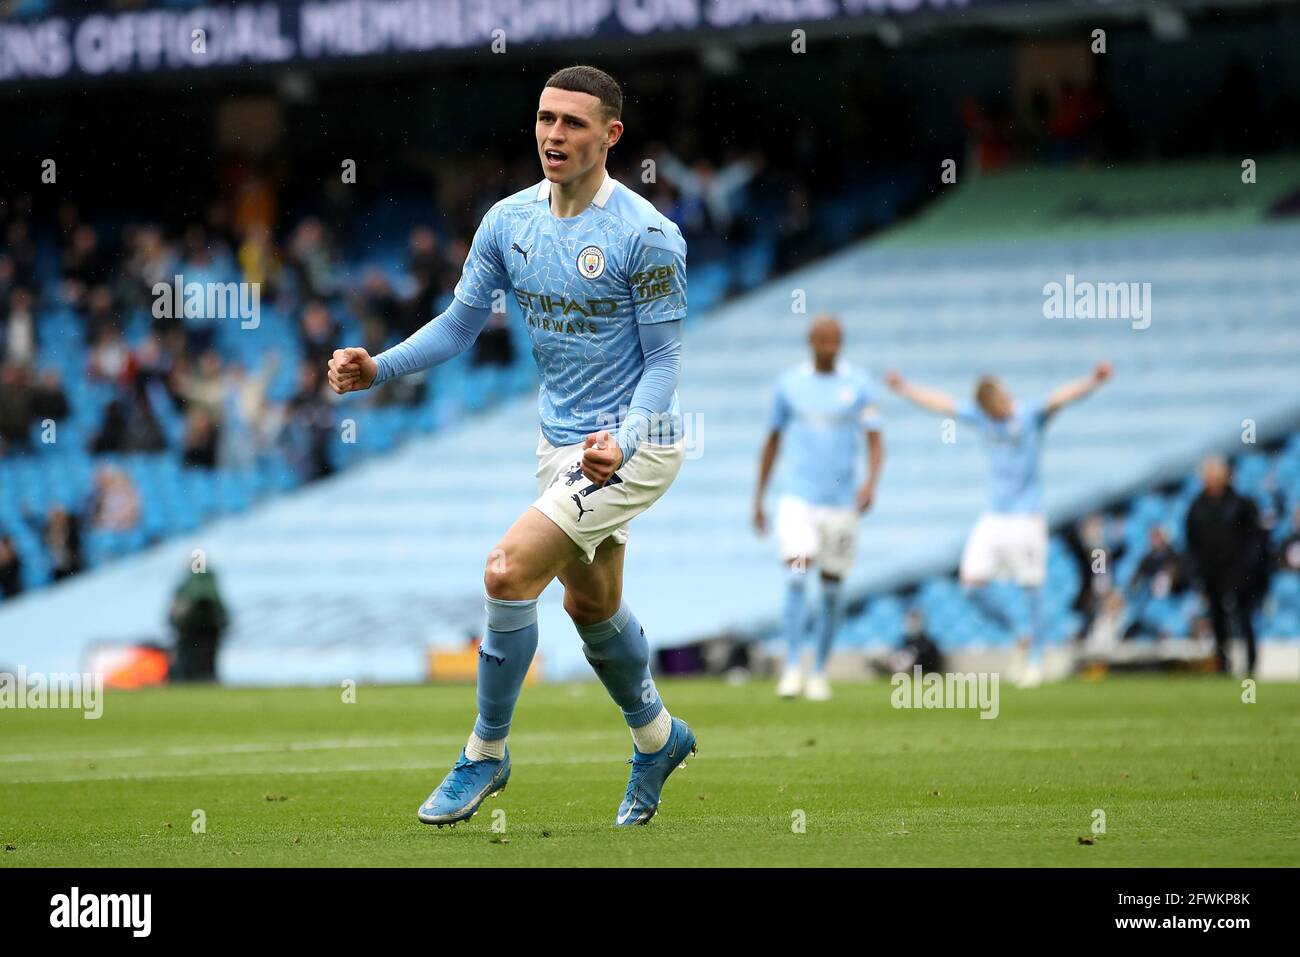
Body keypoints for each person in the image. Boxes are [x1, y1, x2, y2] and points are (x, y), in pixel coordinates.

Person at [327, 65, 693, 828]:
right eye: (545, 119)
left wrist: (624, 442)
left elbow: (663, 363)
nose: (554, 135)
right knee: (591, 604)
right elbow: (460, 325)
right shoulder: (507, 221)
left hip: (637, 441)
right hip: (559, 445)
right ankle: (658, 737)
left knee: (506, 570)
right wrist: (378, 367)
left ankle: (485, 751)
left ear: (611, 135)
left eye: (573, 123)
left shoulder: (648, 236)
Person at [886, 361, 1112, 686]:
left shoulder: (1029, 415)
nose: (997, 413)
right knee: (971, 584)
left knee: (1031, 587)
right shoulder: (982, 418)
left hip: (1027, 517)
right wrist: (904, 388)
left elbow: (1059, 398)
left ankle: (1035, 659)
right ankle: (1019, 631)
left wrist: (1093, 381)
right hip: (994, 516)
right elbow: (942, 404)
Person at [753, 315, 884, 701]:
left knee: (830, 590)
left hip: (841, 506)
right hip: (799, 500)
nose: (829, 345)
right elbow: (772, 440)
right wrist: (759, 498)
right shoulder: (790, 384)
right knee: (796, 575)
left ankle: (820, 670)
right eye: (822, 338)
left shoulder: (858, 385)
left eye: (834, 339)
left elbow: (876, 440)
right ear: (810, 341)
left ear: (841, 342)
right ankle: (793, 666)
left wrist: (871, 483)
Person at [1184, 456, 1269, 675]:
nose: (1211, 482)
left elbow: (1255, 540)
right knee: (1217, 620)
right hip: (1211, 573)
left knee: (1244, 617)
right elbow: (1191, 544)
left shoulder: (1242, 504)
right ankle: (1222, 663)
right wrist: (1195, 572)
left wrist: (1248, 568)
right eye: (1208, 478)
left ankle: (1250, 663)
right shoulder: (1197, 507)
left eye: (1215, 477)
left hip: (1240, 572)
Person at [168, 566, 230, 682]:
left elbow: (177, 609)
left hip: (189, 628)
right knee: (207, 662)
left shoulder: (188, 583)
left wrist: (175, 622)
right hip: (210, 629)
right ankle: (206, 679)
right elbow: (220, 607)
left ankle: (188, 679)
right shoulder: (210, 583)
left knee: (188, 661)